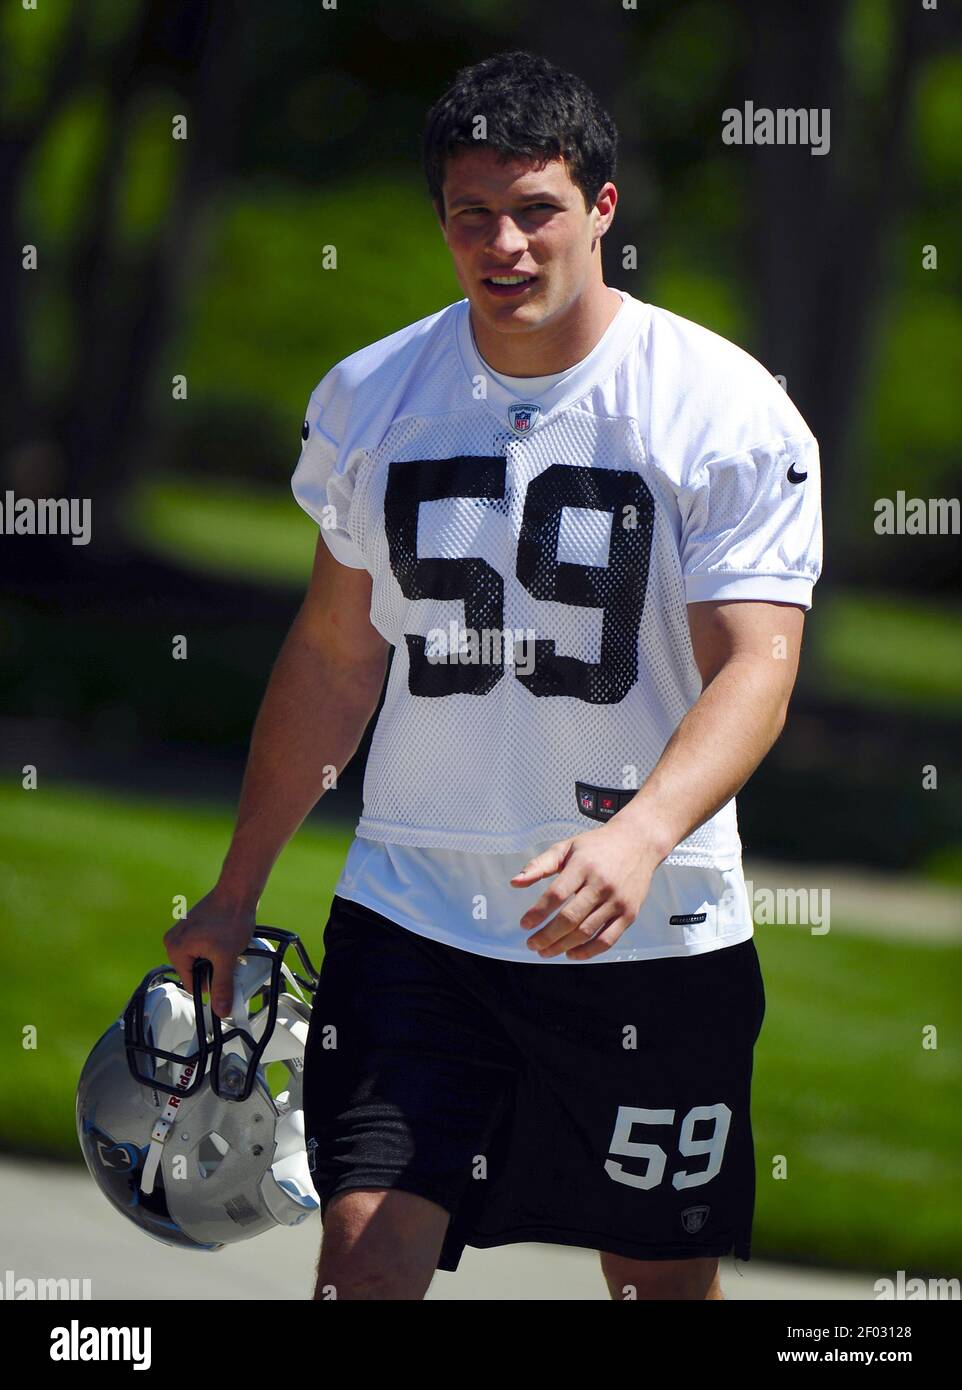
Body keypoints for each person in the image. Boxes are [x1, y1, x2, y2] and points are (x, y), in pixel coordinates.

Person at [165, 50, 822, 1301]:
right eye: (473, 213)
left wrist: (637, 837)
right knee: (358, 1255)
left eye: (536, 211)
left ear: (602, 211)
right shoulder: (373, 396)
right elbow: (332, 656)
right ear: (440, 221)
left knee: (653, 1282)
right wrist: (233, 888)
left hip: (650, 929)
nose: (504, 243)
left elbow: (759, 669)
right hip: (415, 903)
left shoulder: (719, 407)